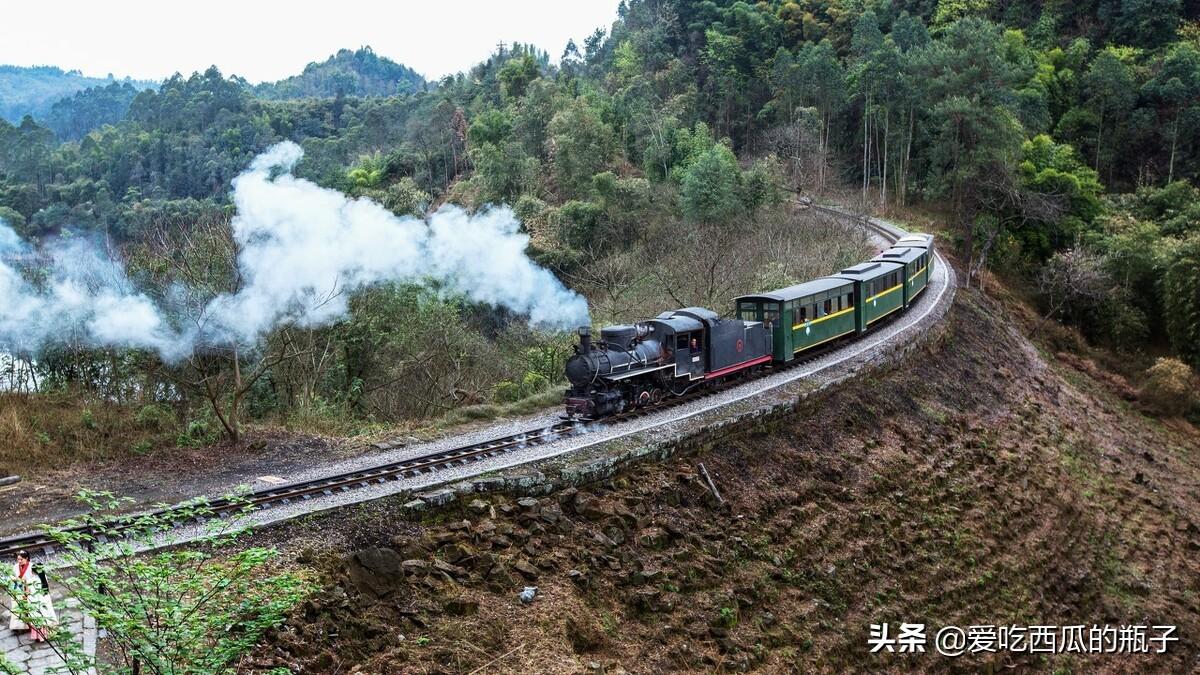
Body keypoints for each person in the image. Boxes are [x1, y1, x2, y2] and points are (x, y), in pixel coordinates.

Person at [9, 550, 56, 642]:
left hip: (31, 593)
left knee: (33, 612)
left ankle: (35, 629)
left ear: (26, 558)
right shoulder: (16, 567)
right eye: (18, 559)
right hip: (23, 590)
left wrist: (26, 593)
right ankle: (22, 626)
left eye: (21, 559)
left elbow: (31, 585)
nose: (19, 561)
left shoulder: (32, 569)